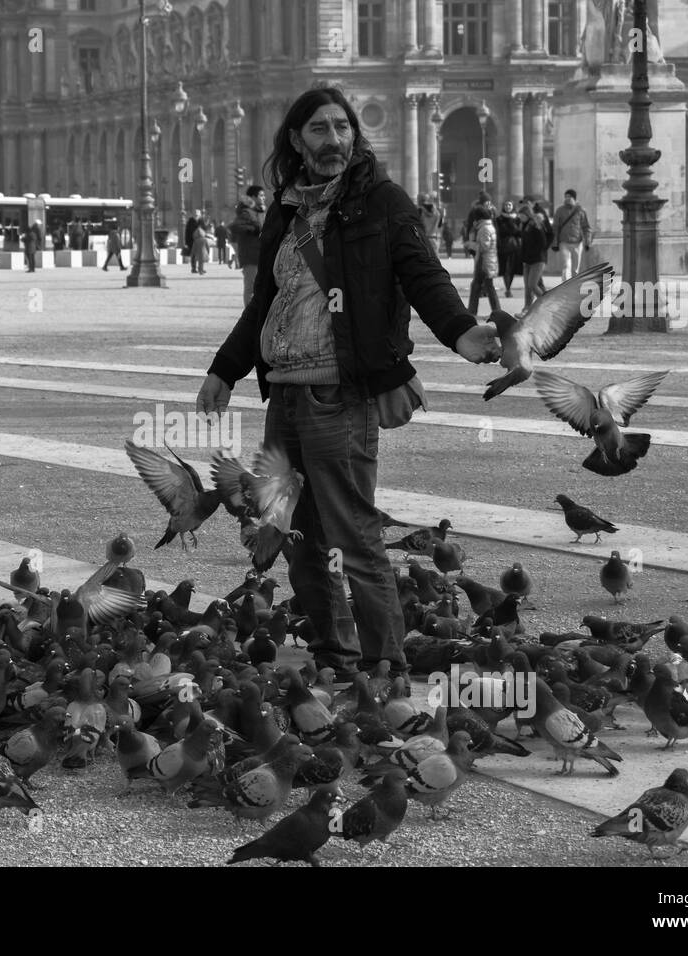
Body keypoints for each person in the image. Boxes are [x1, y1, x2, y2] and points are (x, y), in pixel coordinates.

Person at [195, 87, 501, 681]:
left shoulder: (381, 202)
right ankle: (337, 651)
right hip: (282, 395)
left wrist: (462, 331)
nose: (333, 140)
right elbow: (266, 302)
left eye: (342, 128)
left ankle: (384, 659)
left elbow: (423, 274)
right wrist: (223, 369)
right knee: (297, 534)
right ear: (296, 140)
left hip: (338, 395)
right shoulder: (284, 209)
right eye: (319, 129)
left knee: (354, 534)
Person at [227, 194, 264, 305]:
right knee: (251, 287)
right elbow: (234, 227)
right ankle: (250, 314)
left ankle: (253, 312)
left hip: (252, 256)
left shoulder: (248, 214)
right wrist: (254, 229)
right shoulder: (246, 214)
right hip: (252, 256)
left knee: (253, 286)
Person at [551, 188, 592, 280]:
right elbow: (555, 227)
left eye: (570, 197)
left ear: (574, 198)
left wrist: (588, 242)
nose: (567, 198)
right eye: (566, 197)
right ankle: (565, 285)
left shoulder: (581, 210)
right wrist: (554, 243)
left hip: (577, 243)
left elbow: (586, 227)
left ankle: (574, 286)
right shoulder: (560, 210)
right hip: (564, 242)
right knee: (566, 265)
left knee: (575, 269)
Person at [467, 205, 500, 315]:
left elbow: (484, 246)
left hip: (484, 262)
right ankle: (496, 310)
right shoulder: (487, 226)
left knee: (481, 286)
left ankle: (473, 311)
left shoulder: (484, 228)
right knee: (485, 287)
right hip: (487, 261)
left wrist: (470, 244)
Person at [518, 202, 549, 314]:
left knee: (532, 284)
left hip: (537, 260)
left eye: (522, 215)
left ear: (528, 215)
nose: (520, 217)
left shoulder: (535, 226)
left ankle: (546, 305)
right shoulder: (524, 226)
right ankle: (527, 308)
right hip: (527, 261)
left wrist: (532, 253)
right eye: (519, 215)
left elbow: (543, 243)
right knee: (528, 287)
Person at [495, 199, 523, 297]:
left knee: (512, 270)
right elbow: (499, 232)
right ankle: (507, 289)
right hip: (503, 248)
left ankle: (508, 288)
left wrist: (511, 221)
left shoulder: (518, 219)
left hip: (515, 248)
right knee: (505, 269)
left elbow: (519, 232)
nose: (507, 207)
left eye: (509, 205)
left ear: (513, 207)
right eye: (506, 205)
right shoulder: (499, 219)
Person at [461, 190, 494, 256]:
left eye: (489, 201)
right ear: (482, 202)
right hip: (477, 237)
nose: (488, 203)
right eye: (486, 201)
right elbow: (470, 226)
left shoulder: (492, 210)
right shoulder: (475, 210)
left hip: (490, 236)